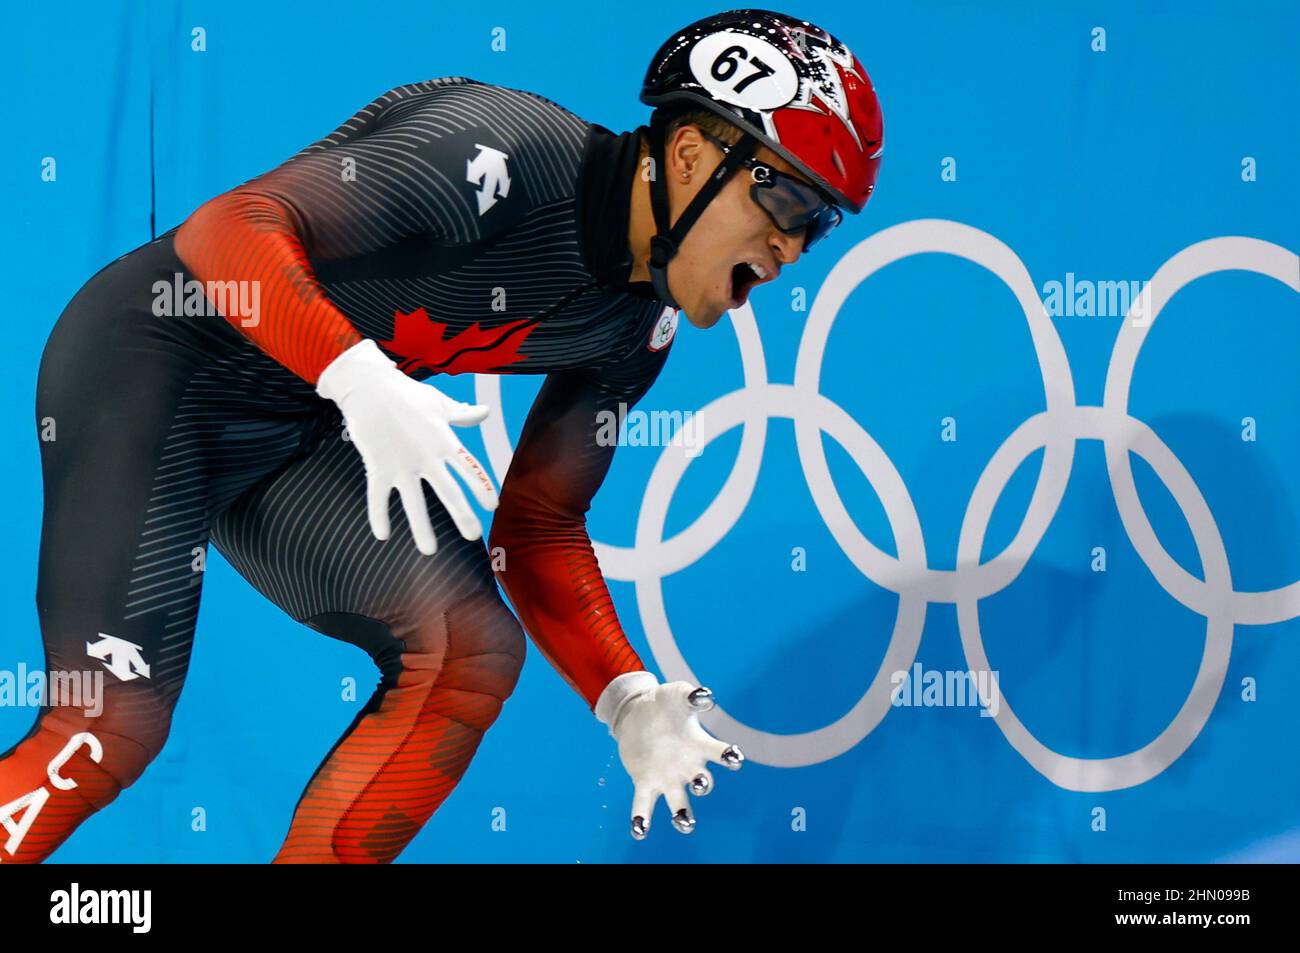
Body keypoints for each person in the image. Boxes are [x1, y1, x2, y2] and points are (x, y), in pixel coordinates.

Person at [0, 8, 882, 863]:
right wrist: (354, 374)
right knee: (110, 722)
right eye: (794, 197)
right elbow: (226, 229)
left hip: (299, 422)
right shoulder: (504, 151)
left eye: (823, 222)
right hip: (157, 358)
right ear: (690, 152)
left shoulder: (633, 326)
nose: (797, 246)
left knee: (466, 648)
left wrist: (626, 696)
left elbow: (538, 527)